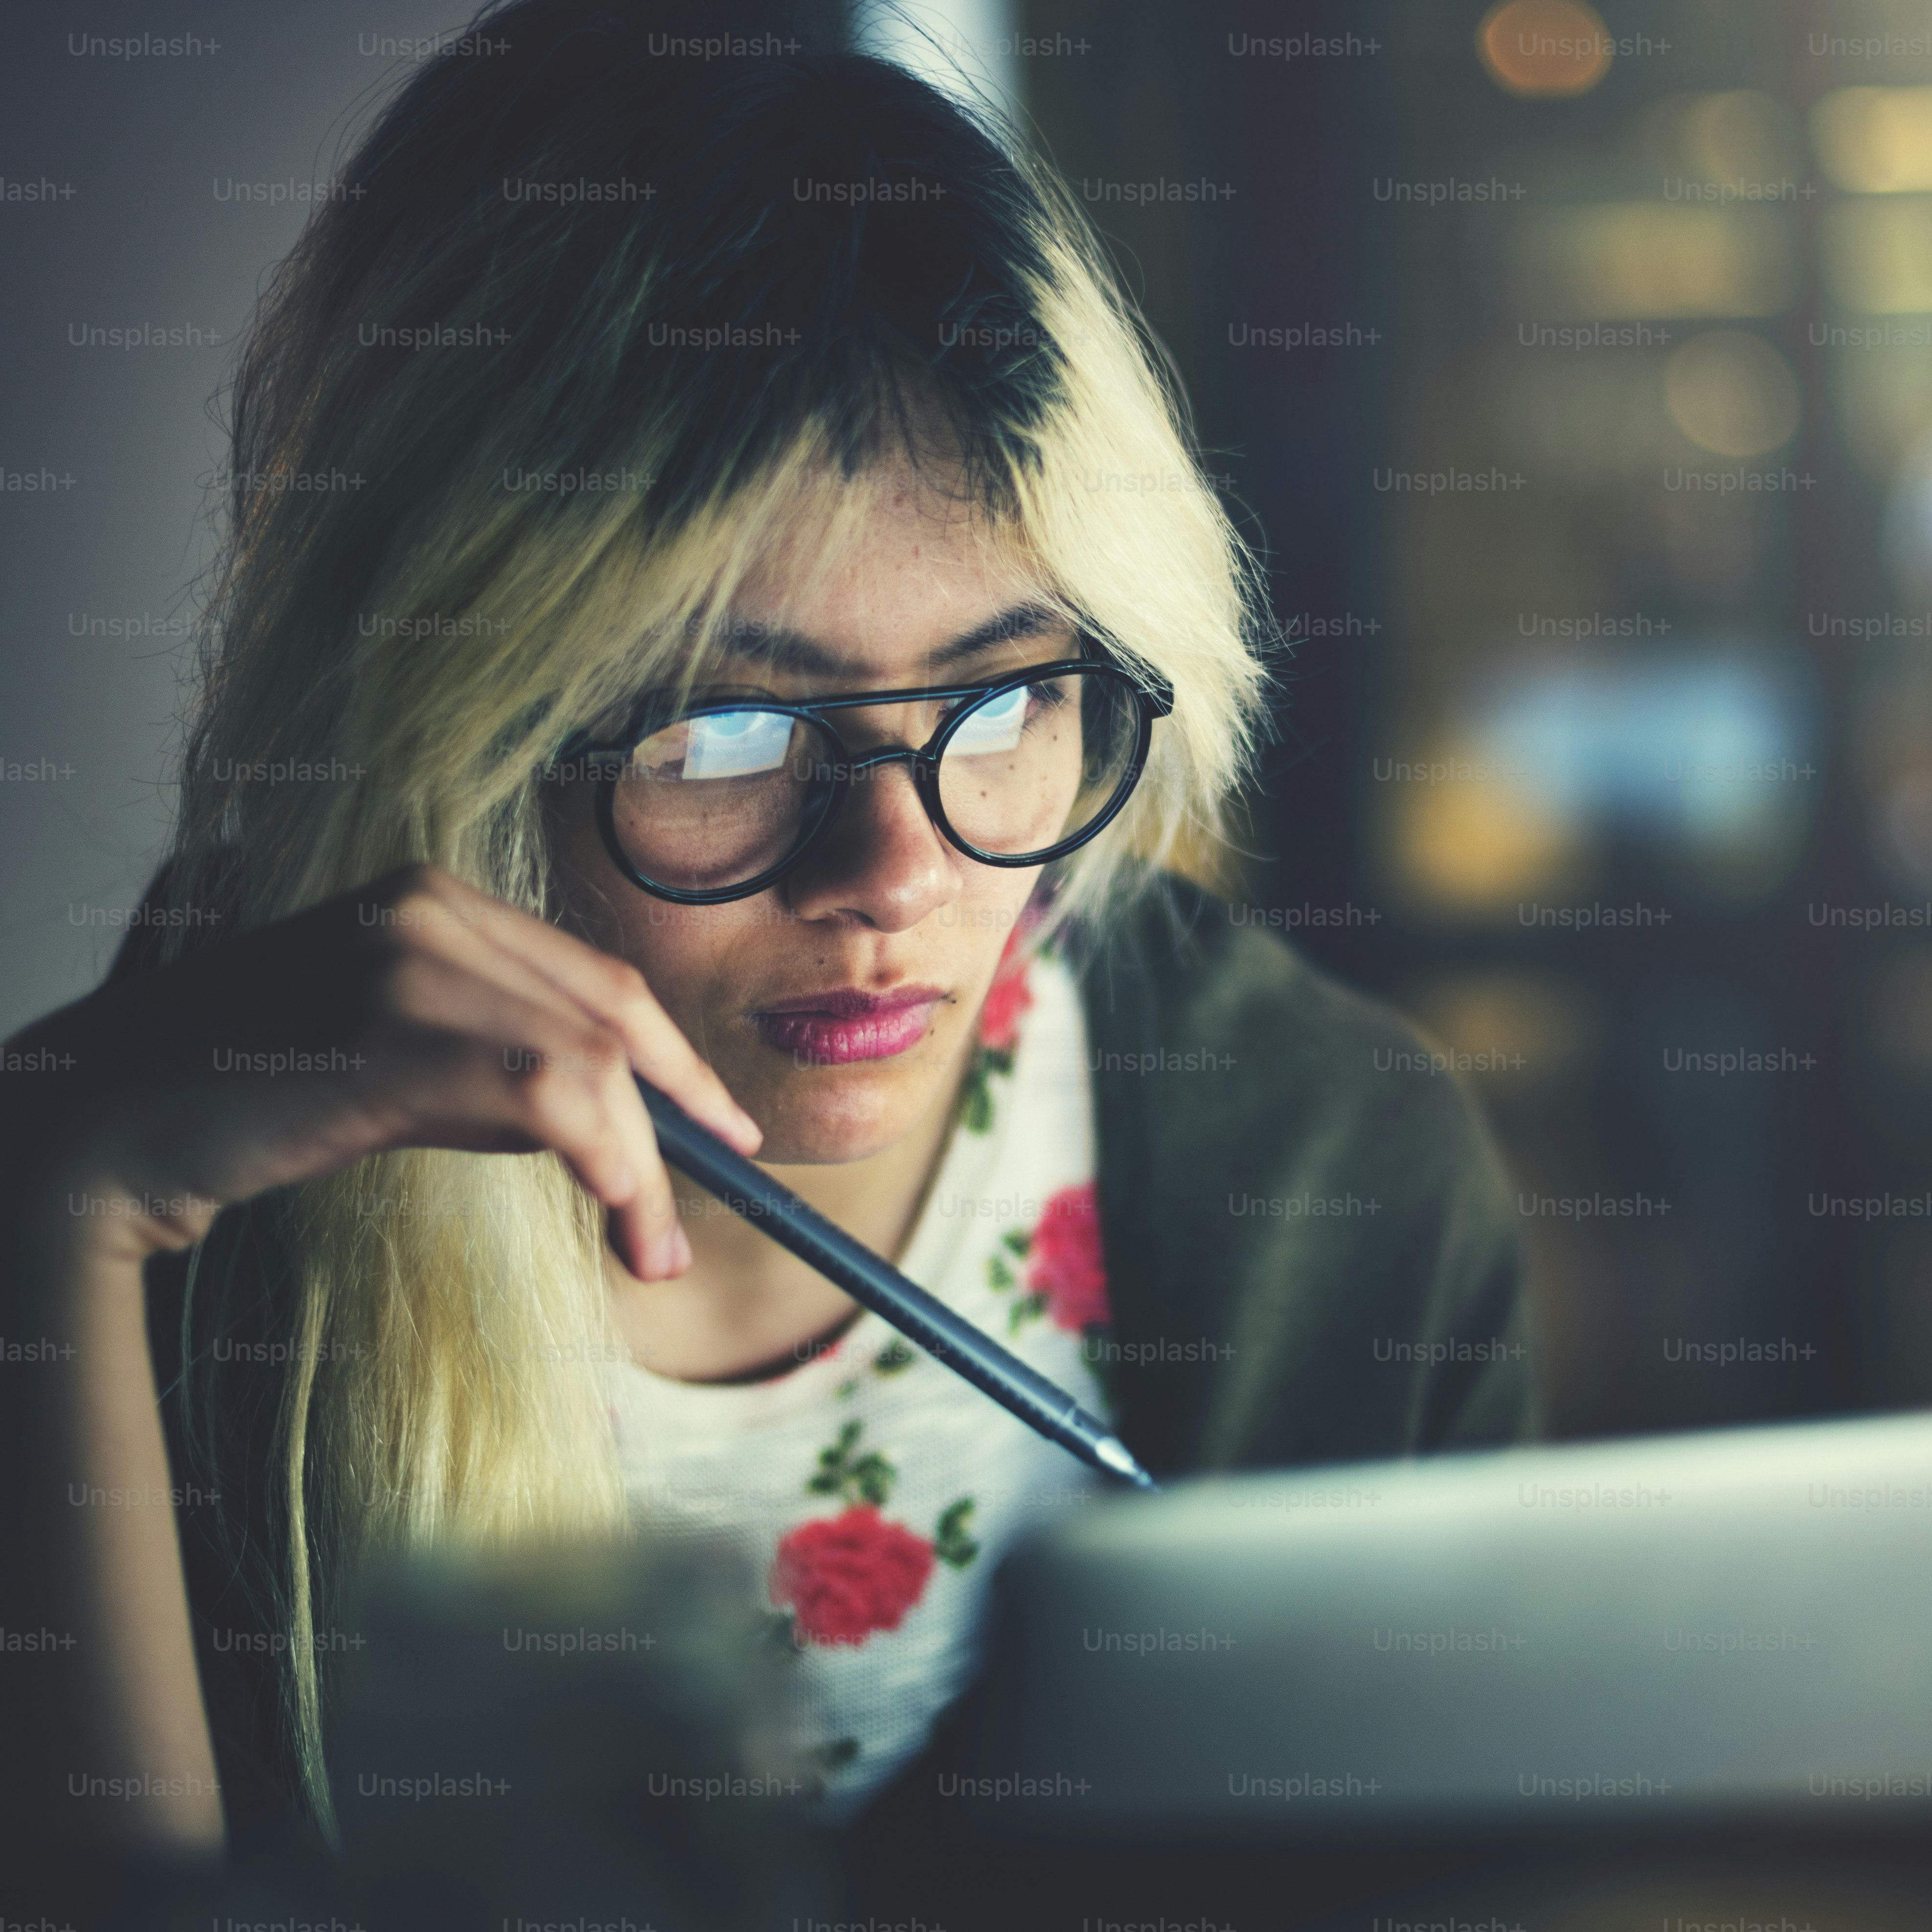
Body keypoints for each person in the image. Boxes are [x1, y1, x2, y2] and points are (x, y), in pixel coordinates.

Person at [0, 0, 1532, 1873]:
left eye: (1003, 701)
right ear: (449, 733)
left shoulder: (1334, 1162)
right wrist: (48, 1200)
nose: (891, 875)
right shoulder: (174, 1192)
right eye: (721, 731)